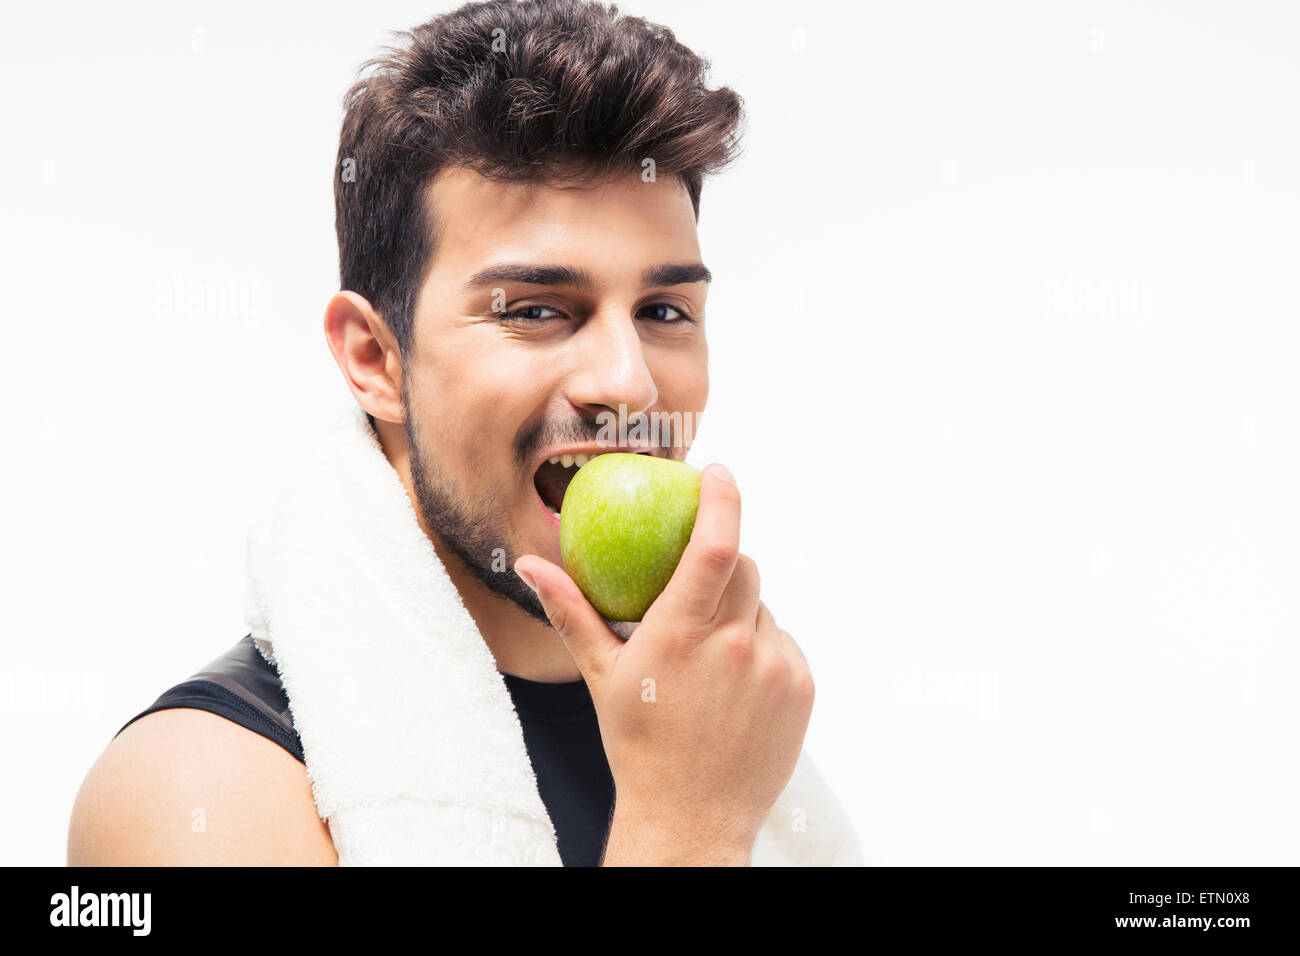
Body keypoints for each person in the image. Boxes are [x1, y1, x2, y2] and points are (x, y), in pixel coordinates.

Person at [67, 0, 862, 866]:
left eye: (664, 310)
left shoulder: (735, 728)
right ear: (375, 358)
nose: (629, 384)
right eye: (535, 310)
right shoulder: (195, 789)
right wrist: (687, 826)